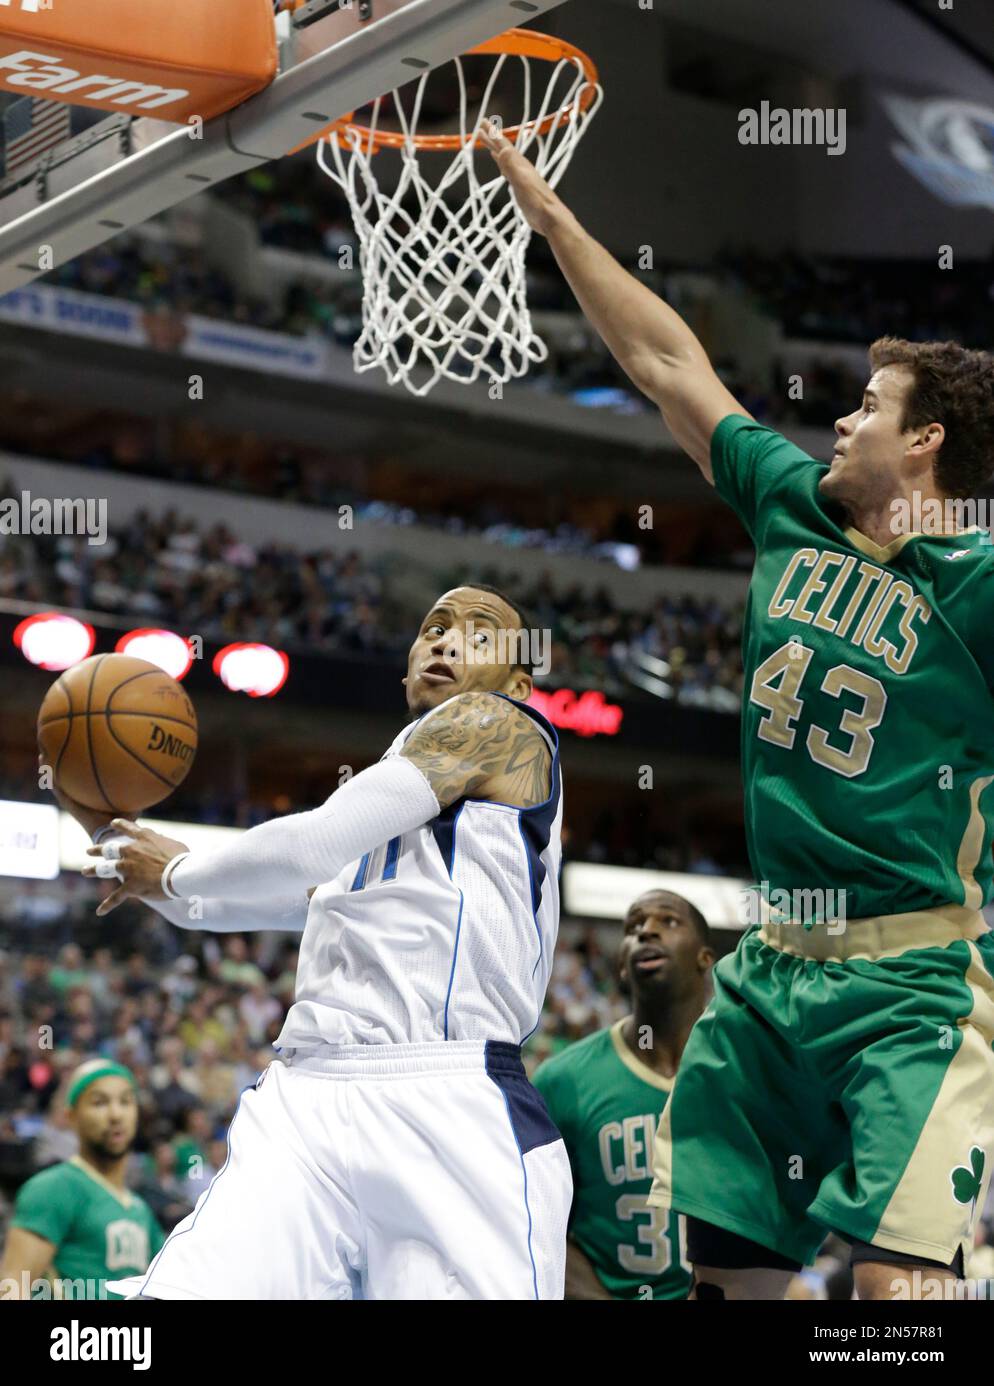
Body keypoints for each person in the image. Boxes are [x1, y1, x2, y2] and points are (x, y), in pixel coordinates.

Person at [482, 126, 994, 1300]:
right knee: (726, 1285)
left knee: (890, 1294)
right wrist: (553, 222)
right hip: (767, 976)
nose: (839, 421)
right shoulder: (791, 506)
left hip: (908, 985)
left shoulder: (976, 589)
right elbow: (666, 361)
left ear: (924, 442)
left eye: (866, 407)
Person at [63, 583, 570, 1301]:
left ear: (520, 683)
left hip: (448, 1104)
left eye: (478, 634)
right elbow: (243, 898)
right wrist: (123, 853)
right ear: (404, 669)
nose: (446, 641)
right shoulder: (392, 832)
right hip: (309, 1094)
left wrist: (173, 872)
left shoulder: (498, 724)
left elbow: (310, 843)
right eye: (432, 629)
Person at [533, 890, 713, 1300]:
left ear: (706, 958)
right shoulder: (564, 1080)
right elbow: (532, 1224)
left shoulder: (747, 1077)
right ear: (621, 966)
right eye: (633, 927)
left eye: (667, 921)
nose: (646, 931)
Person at [0, 1059, 164, 1300]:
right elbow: (11, 1289)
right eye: (99, 1102)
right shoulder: (53, 1188)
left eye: (126, 1101)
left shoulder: (141, 1210)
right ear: (71, 1116)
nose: (116, 1114)